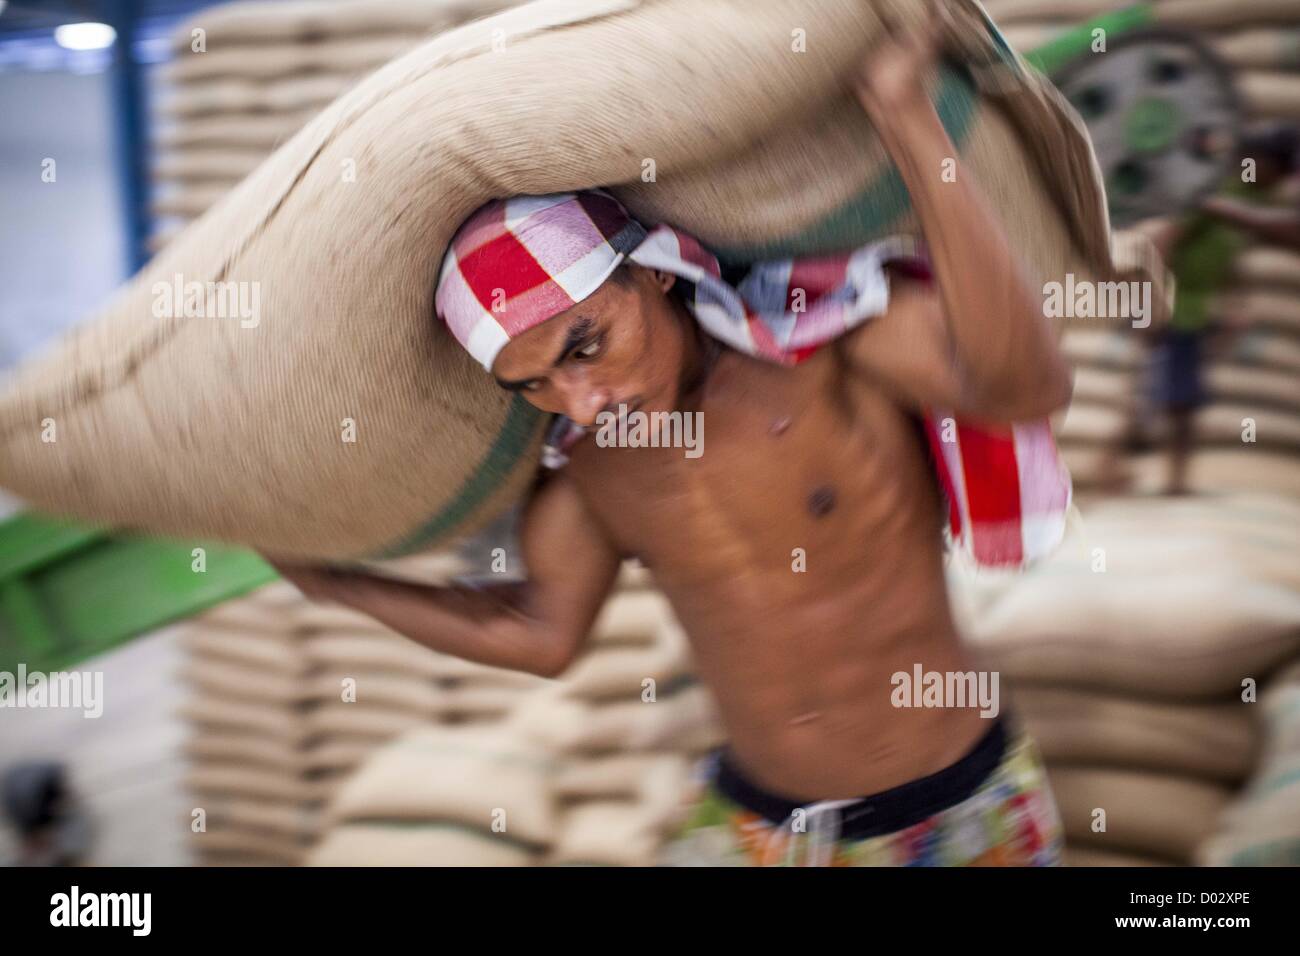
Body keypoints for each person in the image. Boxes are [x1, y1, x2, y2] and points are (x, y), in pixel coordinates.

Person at [271, 14, 1070, 866]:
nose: (580, 402)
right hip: (757, 831)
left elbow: (1029, 386)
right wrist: (338, 589)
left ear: (655, 268)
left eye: (585, 345)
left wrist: (906, 115)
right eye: (536, 383)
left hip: (951, 810)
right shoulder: (590, 476)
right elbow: (540, 634)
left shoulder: (830, 346)